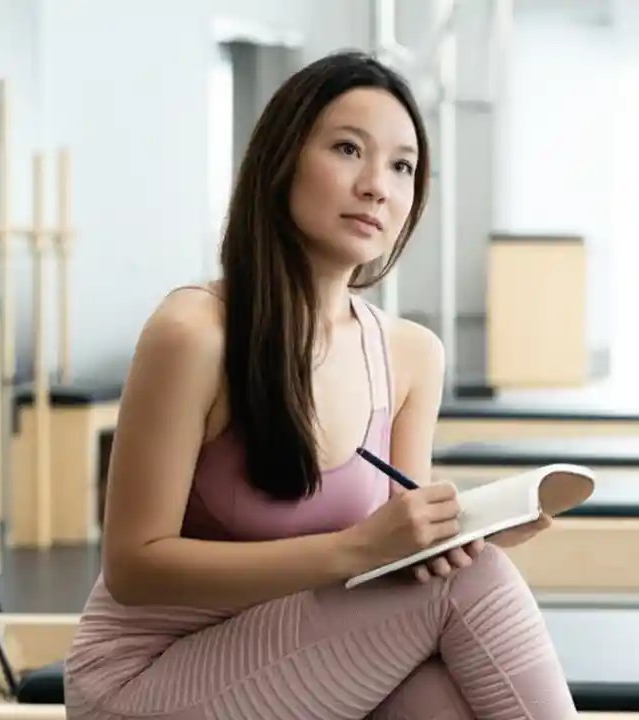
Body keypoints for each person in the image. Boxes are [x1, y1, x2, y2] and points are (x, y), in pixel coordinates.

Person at [62, 50, 578, 719]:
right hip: (145, 681)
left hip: (288, 658)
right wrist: (353, 549)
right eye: (347, 149)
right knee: (470, 590)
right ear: (282, 161)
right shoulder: (195, 332)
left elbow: (400, 567)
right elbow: (134, 568)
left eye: (402, 166)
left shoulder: (411, 354)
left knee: (437, 696)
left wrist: (456, 534)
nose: (377, 186)